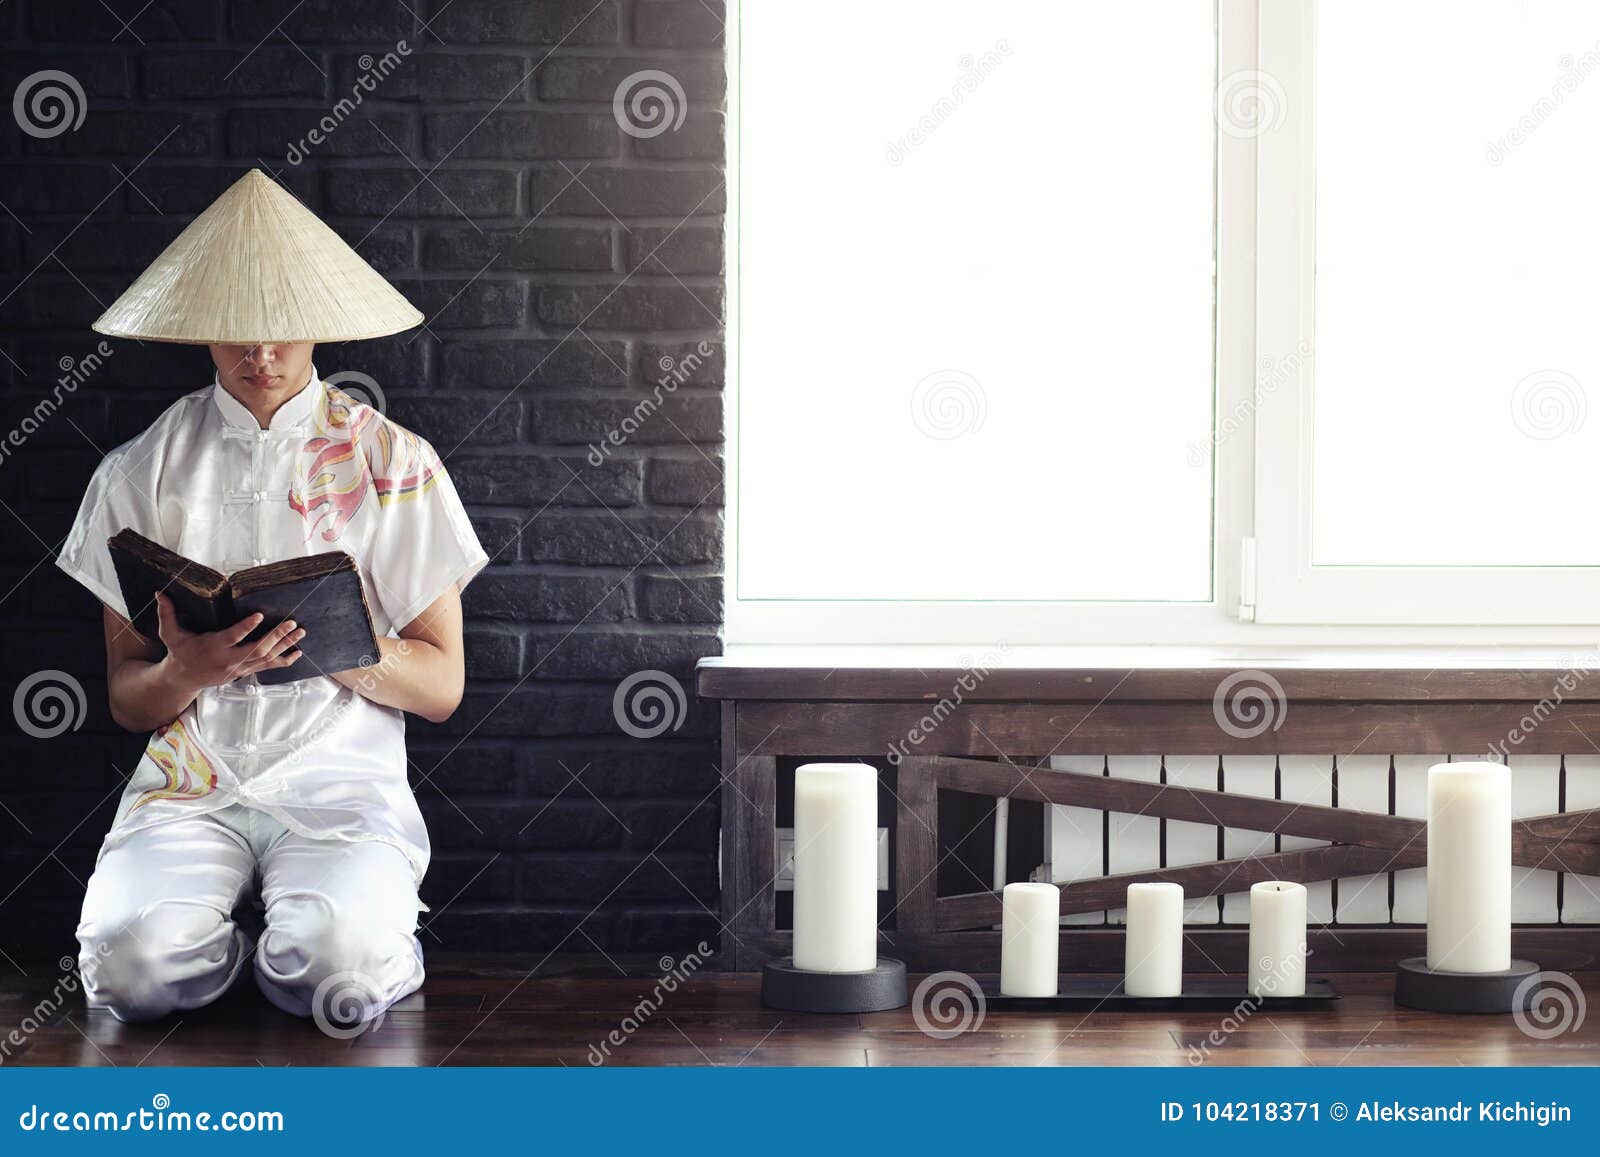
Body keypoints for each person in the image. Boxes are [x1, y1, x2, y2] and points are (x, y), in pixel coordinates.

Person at [55, 170, 487, 1025]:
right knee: (127, 970)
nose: (261, 356)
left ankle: (326, 932)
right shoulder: (136, 472)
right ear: (200, 330)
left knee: (342, 976)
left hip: (340, 781)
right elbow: (128, 699)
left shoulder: (395, 462)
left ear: (316, 322)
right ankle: (225, 938)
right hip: (190, 780)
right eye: (236, 335)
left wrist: (337, 645)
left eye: (282, 331)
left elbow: (441, 687)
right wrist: (186, 670)